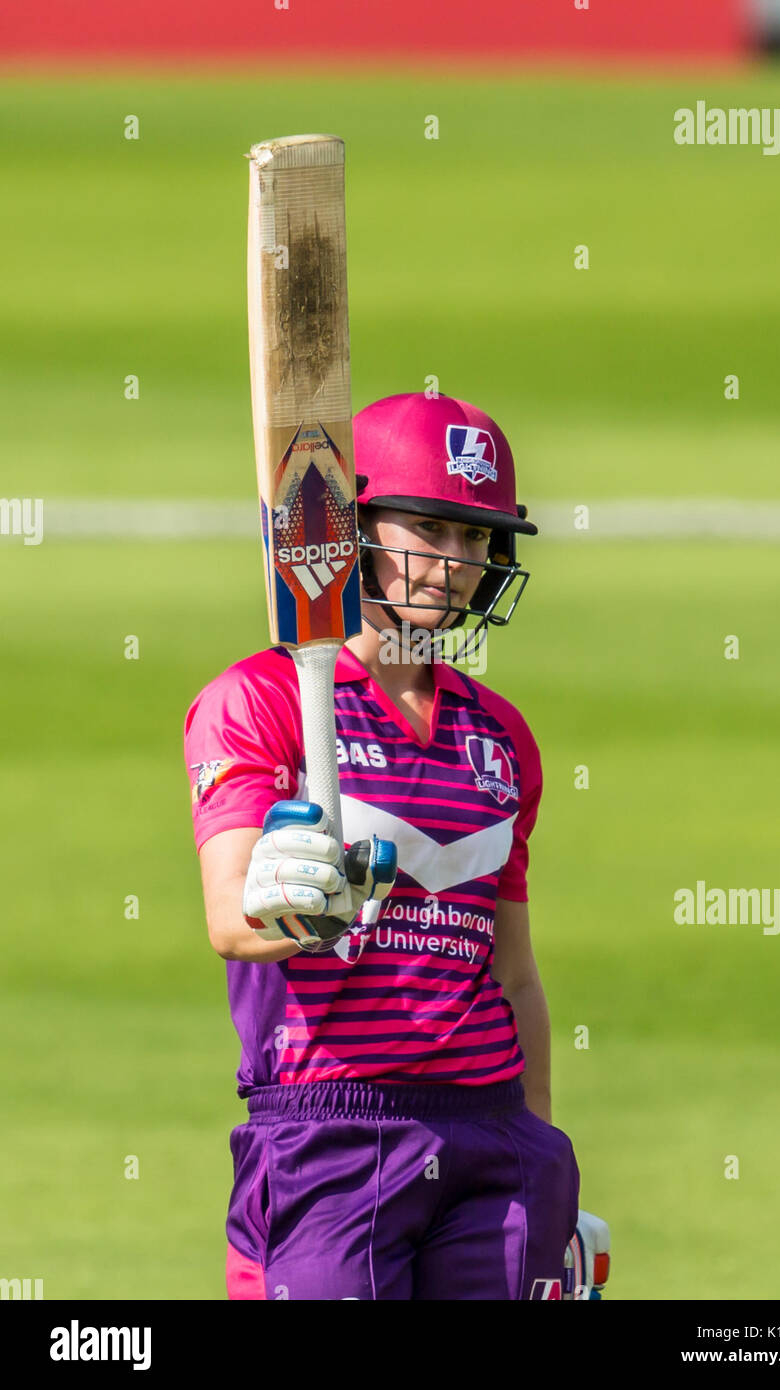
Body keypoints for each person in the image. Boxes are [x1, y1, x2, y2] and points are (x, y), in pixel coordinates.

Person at [184, 391, 581, 1299]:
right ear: (349, 524)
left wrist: (545, 1147)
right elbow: (230, 921)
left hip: (492, 1135)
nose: (456, 563)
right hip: (331, 1126)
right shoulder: (259, 701)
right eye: (431, 528)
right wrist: (294, 905)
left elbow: (514, 974)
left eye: (478, 539)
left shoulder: (501, 736)